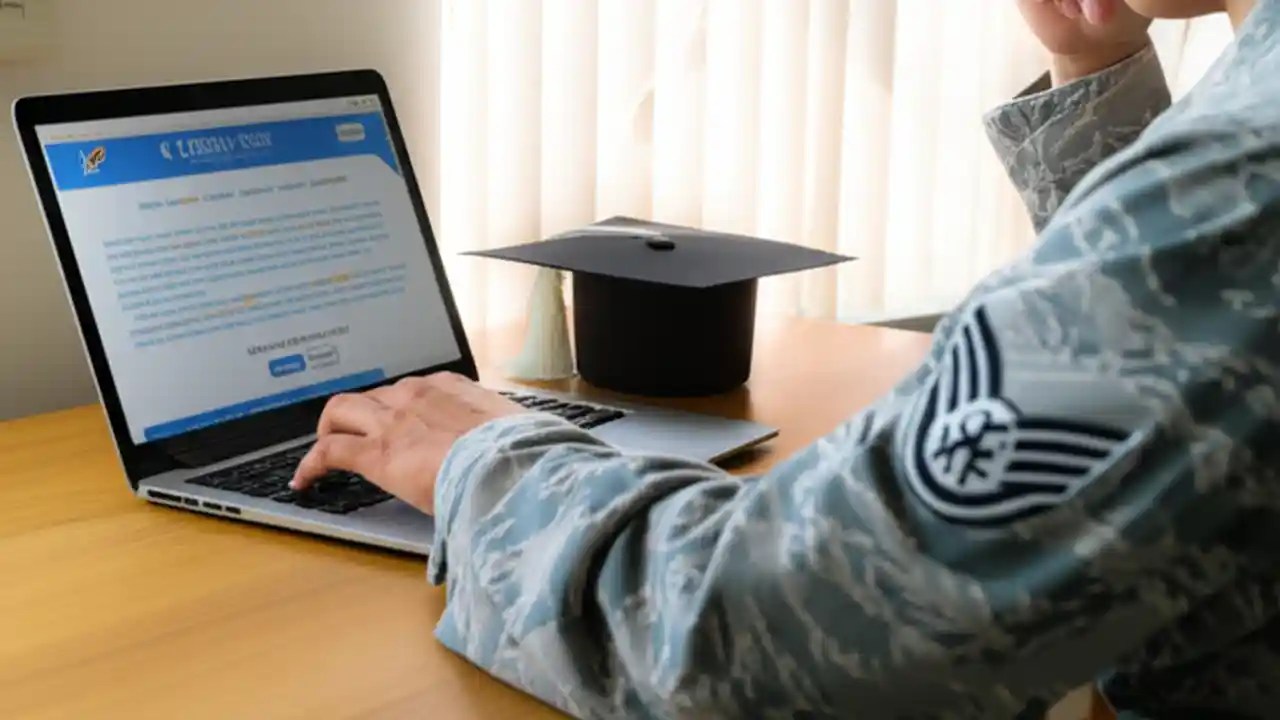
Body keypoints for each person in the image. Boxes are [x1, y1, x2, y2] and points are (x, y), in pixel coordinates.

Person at [291, 0, 1280, 716]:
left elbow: (772, 645)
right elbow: (1203, 373)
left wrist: (486, 459)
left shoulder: (1242, 180)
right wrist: (1092, 73)